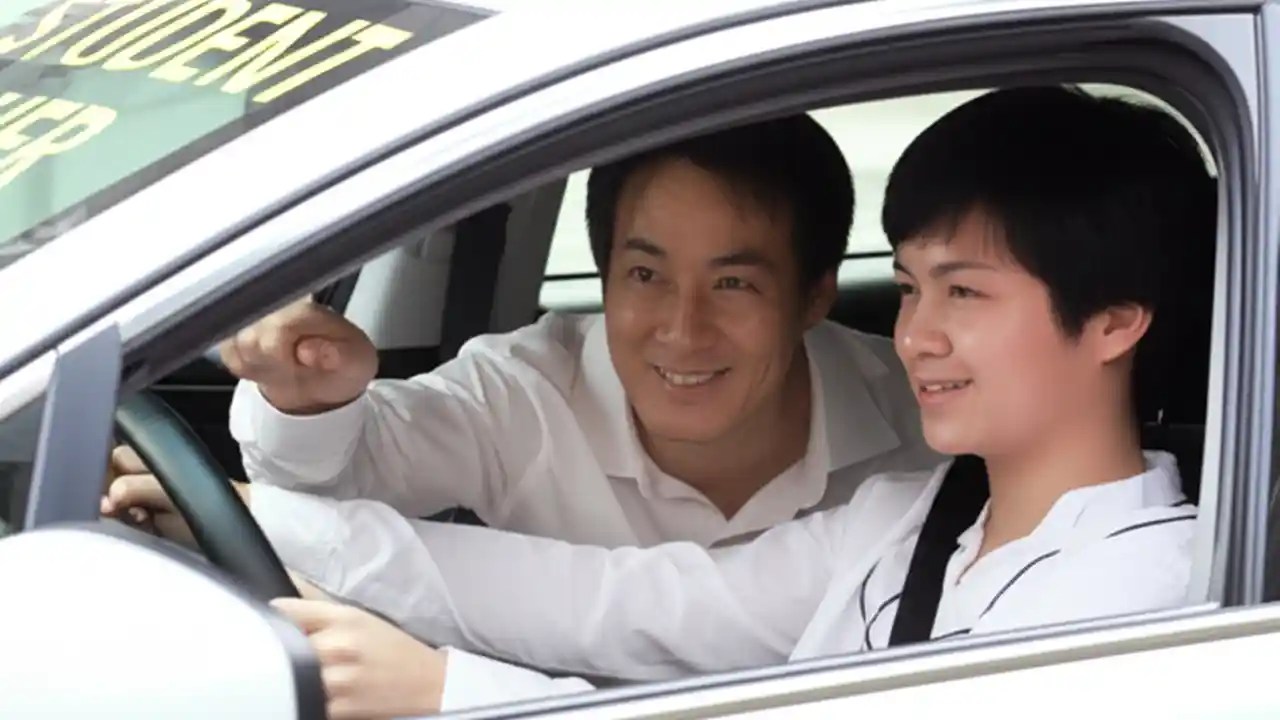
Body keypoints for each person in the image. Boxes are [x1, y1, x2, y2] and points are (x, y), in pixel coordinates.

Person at [253, 84, 1214, 716]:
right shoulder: (908, 520)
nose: (914, 335)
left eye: (963, 293)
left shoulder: (1155, 592)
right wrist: (273, 518)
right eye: (914, 287)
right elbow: (623, 606)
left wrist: (449, 694)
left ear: (1113, 324)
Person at [106, 112, 939, 554]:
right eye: (644, 276)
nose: (683, 331)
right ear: (605, 276)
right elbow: (338, 470)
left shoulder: (925, 423)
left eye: (733, 283)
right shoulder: (526, 388)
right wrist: (310, 398)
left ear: (813, 297)